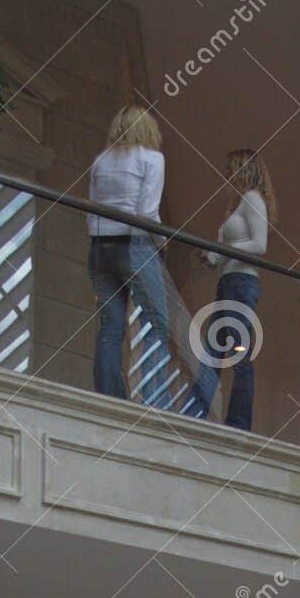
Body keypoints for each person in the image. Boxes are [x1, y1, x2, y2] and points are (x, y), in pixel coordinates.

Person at [186, 149, 275, 432]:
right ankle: (198, 411)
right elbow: (235, 250)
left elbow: (260, 245)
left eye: (231, 168)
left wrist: (222, 251)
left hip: (242, 282)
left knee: (237, 352)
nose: (227, 174)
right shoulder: (240, 203)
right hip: (229, 281)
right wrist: (213, 256)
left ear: (244, 169)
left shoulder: (252, 199)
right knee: (215, 349)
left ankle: (236, 420)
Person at [87, 105, 170, 405]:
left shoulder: (101, 160)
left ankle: (109, 397)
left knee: (111, 325)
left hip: (99, 246)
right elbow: (147, 212)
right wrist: (161, 243)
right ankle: (155, 397)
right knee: (157, 323)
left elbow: (92, 205)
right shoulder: (152, 158)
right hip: (134, 244)